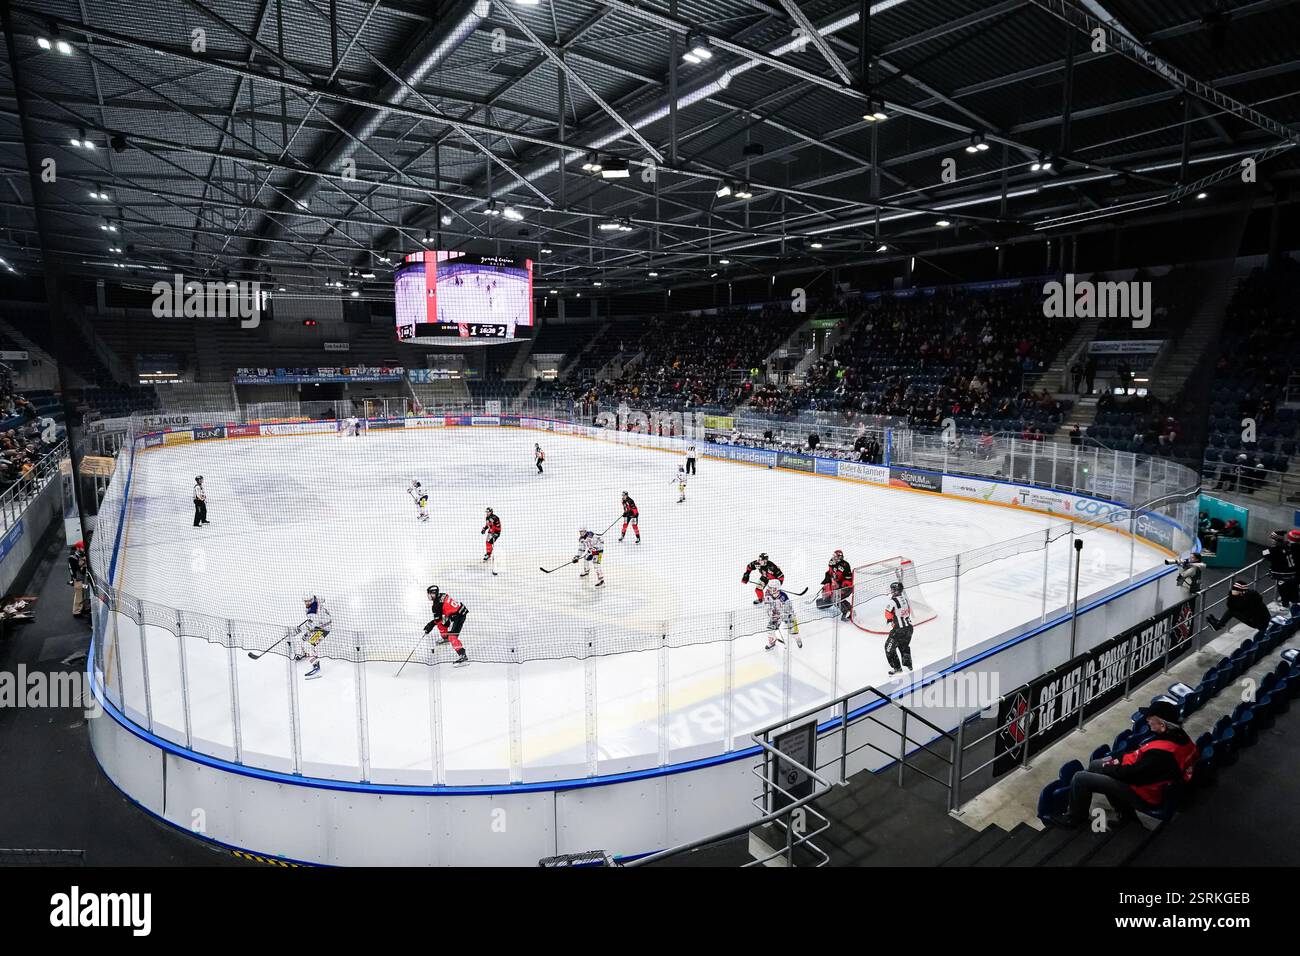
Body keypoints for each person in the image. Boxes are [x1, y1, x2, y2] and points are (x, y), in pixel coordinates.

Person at [1047, 700, 1197, 828]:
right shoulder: (1180, 737)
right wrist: (1116, 759)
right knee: (1096, 764)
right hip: (1143, 777)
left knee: (1080, 778)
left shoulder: (1162, 754)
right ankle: (1126, 816)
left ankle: (1074, 818)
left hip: (1144, 793)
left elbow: (1131, 774)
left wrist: (1110, 767)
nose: (1146, 720)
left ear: (1162, 725)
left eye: (1150, 718)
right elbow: (1139, 757)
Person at [422, 585, 469, 665]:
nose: (429, 596)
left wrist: (430, 626)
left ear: (434, 594)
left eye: (430, 594)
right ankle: (445, 638)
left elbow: (437, 620)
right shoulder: (442, 595)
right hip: (457, 612)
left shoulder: (436, 605)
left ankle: (462, 655)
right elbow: (443, 614)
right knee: (442, 624)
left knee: (452, 636)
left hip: (458, 616)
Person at [291, 594, 333, 680]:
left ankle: (316, 667)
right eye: (305, 601)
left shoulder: (313, 611)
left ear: (312, 599)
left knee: (308, 645)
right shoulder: (315, 601)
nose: (307, 603)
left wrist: (298, 630)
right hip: (318, 626)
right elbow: (322, 599)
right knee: (301, 639)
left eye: (309, 601)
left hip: (323, 629)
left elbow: (311, 625)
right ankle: (303, 654)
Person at [1208, 580, 1272, 633]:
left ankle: (1218, 626)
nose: (1233, 590)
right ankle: (1220, 623)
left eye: (1235, 590)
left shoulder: (1245, 599)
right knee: (1233, 611)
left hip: (1258, 623)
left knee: (1231, 611)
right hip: (1265, 619)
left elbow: (1231, 606)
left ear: (1241, 591)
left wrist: (1231, 595)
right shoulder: (1251, 594)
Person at [883, 580, 914, 676]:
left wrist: (891, 620)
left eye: (892, 589)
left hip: (898, 631)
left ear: (896, 590)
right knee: (904, 646)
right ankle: (909, 666)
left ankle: (897, 668)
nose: (891, 591)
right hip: (909, 629)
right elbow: (908, 611)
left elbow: (887, 614)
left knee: (889, 649)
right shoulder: (904, 599)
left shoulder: (892, 601)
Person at [762, 580, 802, 650]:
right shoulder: (767, 594)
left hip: (785, 614)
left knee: (793, 624)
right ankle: (772, 642)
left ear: (777, 588)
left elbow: (789, 608)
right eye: (769, 588)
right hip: (775, 615)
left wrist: (784, 614)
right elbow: (767, 604)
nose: (770, 590)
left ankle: (797, 637)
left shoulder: (783, 596)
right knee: (770, 629)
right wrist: (770, 612)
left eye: (773, 588)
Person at [1262, 530, 1298, 605]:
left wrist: (1268, 549)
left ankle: (1285, 606)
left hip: (1283, 574)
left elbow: (1264, 553)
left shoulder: (1274, 550)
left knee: (1283, 591)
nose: (1271, 540)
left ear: (1276, 540)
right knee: (1294, 590)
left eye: (1272, 539)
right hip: (1293, 572)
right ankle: (1295, 604)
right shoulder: (1288, 545)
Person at [819, 550, 854, 621]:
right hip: (839, 586)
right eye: (833, 556)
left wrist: (840, 585)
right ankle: (851, 611)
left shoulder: (844, 565)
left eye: (835, 556)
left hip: (846, 586)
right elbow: (830, 572)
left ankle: (846, 611)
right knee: (836, 598)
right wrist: (827, 578)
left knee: (835, 599)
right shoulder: (833, 562)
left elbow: (843, 578)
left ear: (839, 557)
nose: (833, 558)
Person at [68, 542, 89, 618]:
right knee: (79, 594)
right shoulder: (73, 557)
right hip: (77, 578)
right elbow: (75, 569)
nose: (84, 550)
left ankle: (82, 608)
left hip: (81, 577)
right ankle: (76, 611)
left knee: (83, 592)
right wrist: (83, 563)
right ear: (78, 548)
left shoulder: (79, 555)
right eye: (82, 548)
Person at [481, 507, 501, 573]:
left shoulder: (495, 518)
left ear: (491, 512)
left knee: (490, 542)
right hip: (490, 532)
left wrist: (496, 533)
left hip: (495, 533)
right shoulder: (487, 518)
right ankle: (488, 554)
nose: (487, 513)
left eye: (488, 512)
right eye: (486, 512)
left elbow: (498, 526)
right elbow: (488, 525)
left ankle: (490, 554)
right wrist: (484, 529)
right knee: (487, 542)